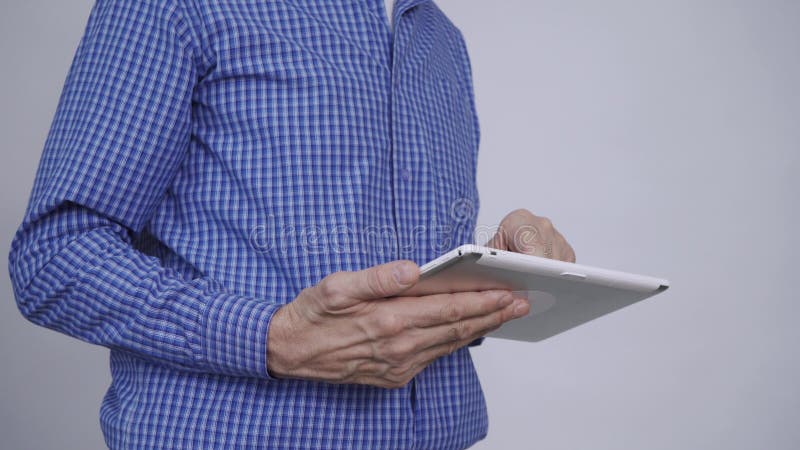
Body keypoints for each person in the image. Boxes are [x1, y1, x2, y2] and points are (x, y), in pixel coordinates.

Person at [8, 0, 574, 448]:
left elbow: (390, 267)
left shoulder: (440, 37)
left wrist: (497, 266)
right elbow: (55, 257)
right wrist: (271, 339)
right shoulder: (178, 4)